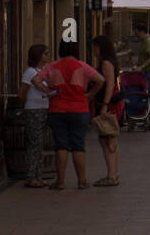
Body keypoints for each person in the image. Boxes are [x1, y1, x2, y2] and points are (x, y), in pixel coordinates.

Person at [43, 43, 104, 190]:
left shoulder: (53, 66)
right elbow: (100, 80)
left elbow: (36, 79)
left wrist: (47, 91)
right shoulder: (82, 66)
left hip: (57, 109)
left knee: (61, 145)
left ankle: (61, 181)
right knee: (78, 145)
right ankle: (82, 181)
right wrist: (89, 95)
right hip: (79, 108)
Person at [18, 44, 55, 188]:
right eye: (46, 53)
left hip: (44, 109)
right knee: (35, 144)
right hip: (34, 110)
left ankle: (38, 176)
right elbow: (22, 93)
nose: (48, 56)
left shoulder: (43, 72)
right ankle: (31, 176)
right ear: (39, 56)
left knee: (40, 144)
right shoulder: (30, 72)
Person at [91, 35, 122, 187]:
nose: (93, 50)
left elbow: (110, 85)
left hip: (107, 104)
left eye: (95, 47)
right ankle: (113, 175)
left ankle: (111, 175)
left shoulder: (106, 63)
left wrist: (104, 105)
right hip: (110, 103)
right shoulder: (110, 62)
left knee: (107, 140)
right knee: (111, 140)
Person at [133, 22, 150, 127]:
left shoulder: (148, 41)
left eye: (136, 33)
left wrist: (142, 66)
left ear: (141, 31)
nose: (136, 35)